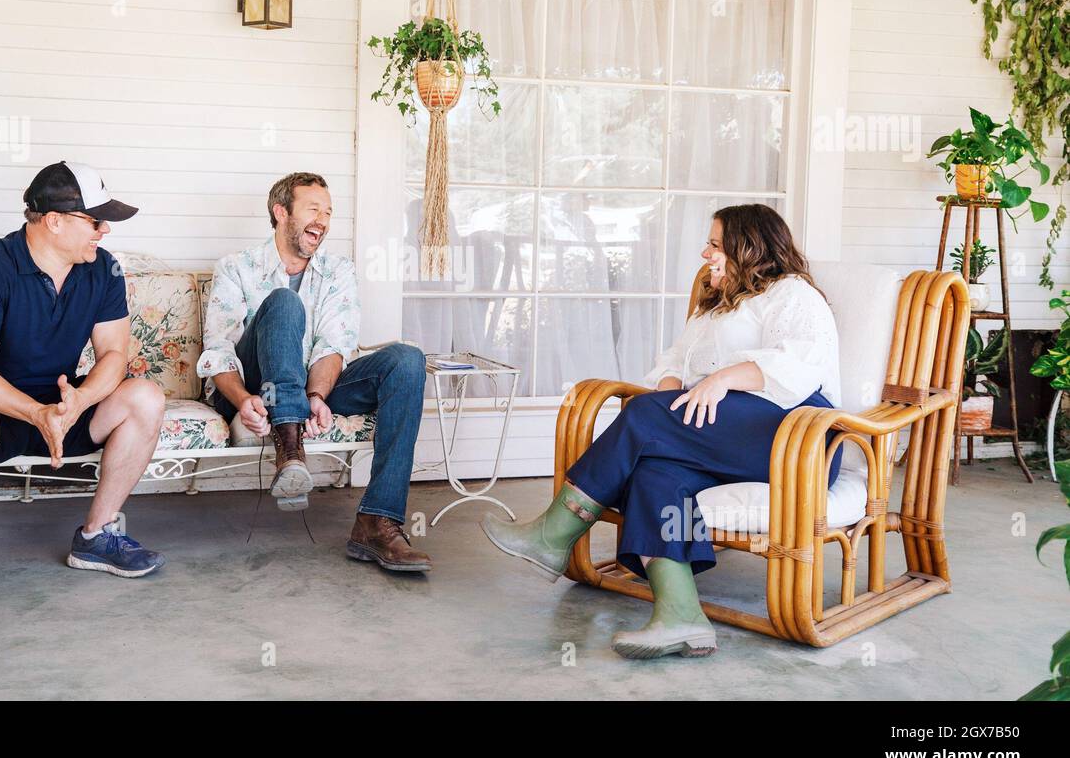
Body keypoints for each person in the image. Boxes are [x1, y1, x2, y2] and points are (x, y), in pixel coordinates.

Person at [481, 203, 843, 658]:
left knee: (643, 418)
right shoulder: (714, 307)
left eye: (715, 244)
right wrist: (669, 390)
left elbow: (801, 361)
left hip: (796, 436)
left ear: (748, 248)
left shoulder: (792, 294)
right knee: (655, 471)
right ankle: (681, 616)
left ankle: (554, 533)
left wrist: (720, 379)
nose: (705, 253)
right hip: (718, 435)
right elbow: (676, 360)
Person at [0, 161, 168, 603]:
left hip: (63, 405)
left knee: (145, 397)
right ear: (54, 221)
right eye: (96, 220)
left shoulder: (103, 268)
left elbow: (115, 355)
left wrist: (79, 401)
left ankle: (96, 535)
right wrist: (37, 414)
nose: (105, 230)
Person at [197, 172, 431, 572]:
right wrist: (242, 400)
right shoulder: (238, 267)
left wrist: (317, 396)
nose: (322, 220)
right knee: (285, 302)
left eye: (328, 212)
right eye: (312, 209)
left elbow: (333, 344)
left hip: (311, 387)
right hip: (257, 386)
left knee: (407, 361)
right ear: (280, 212)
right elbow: (219, 352)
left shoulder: (338, 271)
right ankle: (290, 450)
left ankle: (377, 522)